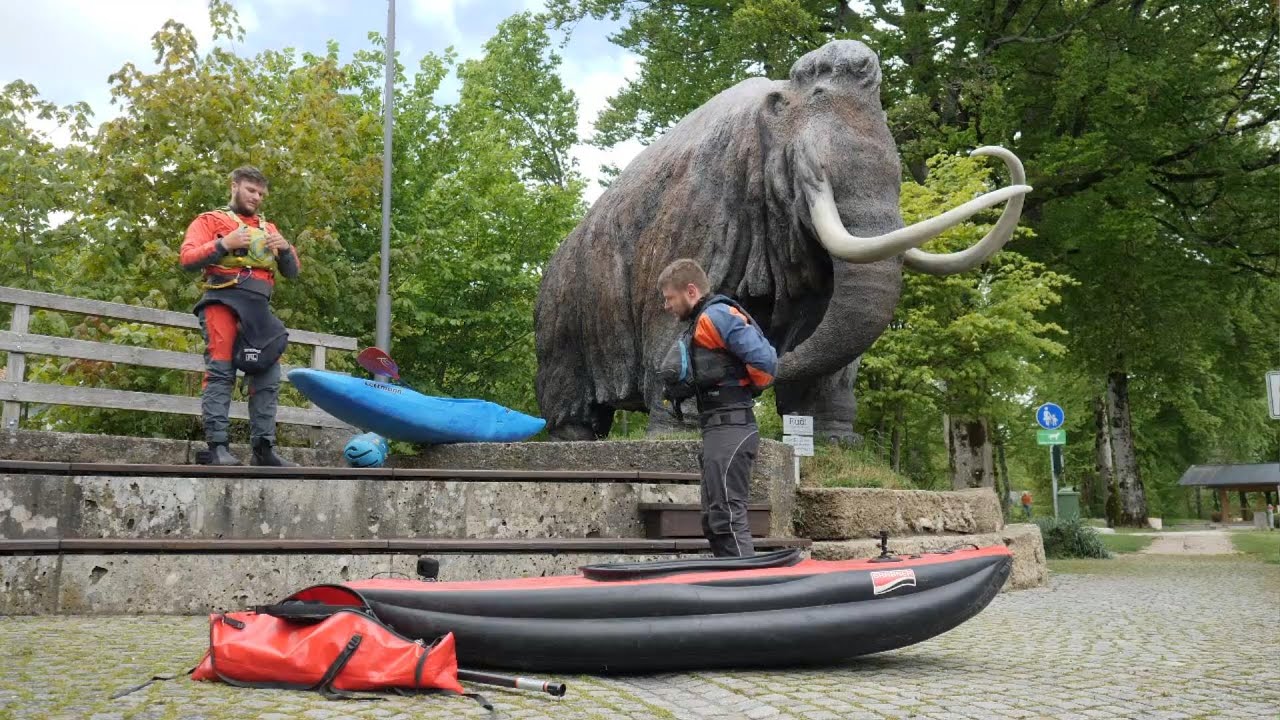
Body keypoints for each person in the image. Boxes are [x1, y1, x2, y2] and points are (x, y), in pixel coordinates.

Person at [180, 166, 299, 466]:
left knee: (268, 374)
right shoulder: (210, 220)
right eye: (250, 190)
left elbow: (292, 272)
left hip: (258, 308)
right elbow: (187, 258)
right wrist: (224, 244)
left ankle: (264, 450)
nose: (256, 197)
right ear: (234, 186)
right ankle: (217, 448)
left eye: (261, 193)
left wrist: (285, 250)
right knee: (221, 372)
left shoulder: (269, 228)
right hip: (222, 301)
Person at [658, 259, 777, 557]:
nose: (666, 305)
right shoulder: (699, 322)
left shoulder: (718, 316)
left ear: (691, 291)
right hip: (716, 429)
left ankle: (746, 582)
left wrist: (742, 387)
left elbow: (766, 363)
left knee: (727, 516)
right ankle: (729, 577)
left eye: (669, 298)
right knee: (713, 519)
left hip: (732, 428)